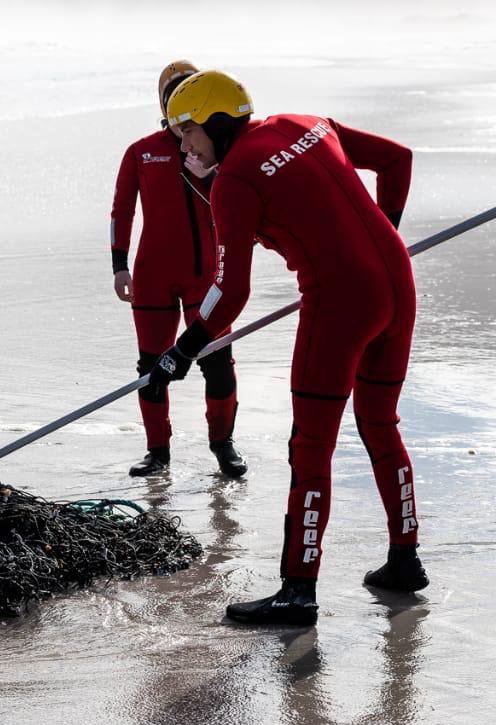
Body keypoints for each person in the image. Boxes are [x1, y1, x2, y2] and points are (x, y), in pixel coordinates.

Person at [153, 70, 427, 625]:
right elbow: (397, 158)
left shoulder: (233, 182)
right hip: (396, 280)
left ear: (213, 121)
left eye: (186, 131)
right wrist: (385, 233)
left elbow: (230, 290)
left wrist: (184, 349)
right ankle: (406, 559)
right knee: (380, 424)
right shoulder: (307, 122)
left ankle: (297, 592)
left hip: (339, 304)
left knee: (310, 445)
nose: (183, 145)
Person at [111, 60, 247, 479]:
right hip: (153, 276)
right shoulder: (140, 151)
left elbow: (242, 202)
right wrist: (119, 265)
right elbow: (122, 210)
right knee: (151, 369)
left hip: (205, 273)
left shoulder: (215, 150)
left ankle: (222, 445)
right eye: (172, 93)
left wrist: (211, 176)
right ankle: (158, 453)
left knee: (218, 364)